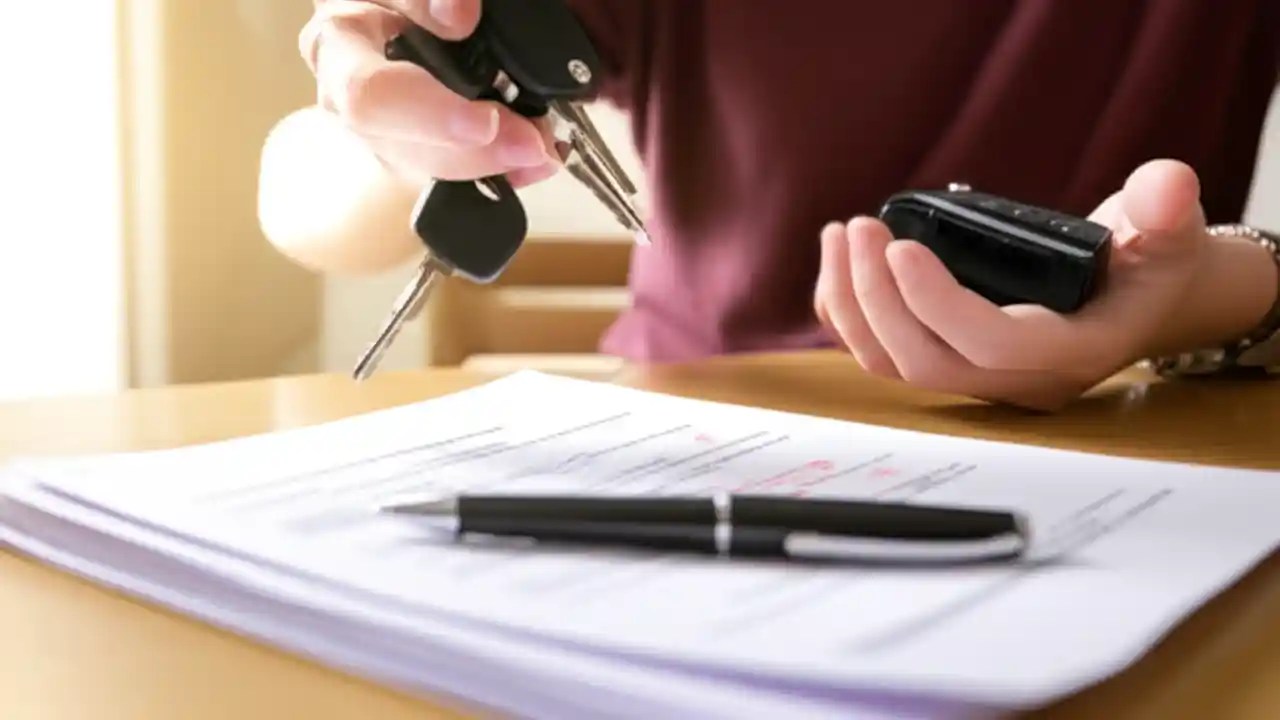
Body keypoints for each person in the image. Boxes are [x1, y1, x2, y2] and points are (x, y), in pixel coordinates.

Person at [260, 0, 1280, 411]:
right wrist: (387, 118)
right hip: (674, 438)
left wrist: (1221, 291)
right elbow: (306, 205)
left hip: (1138, 443)